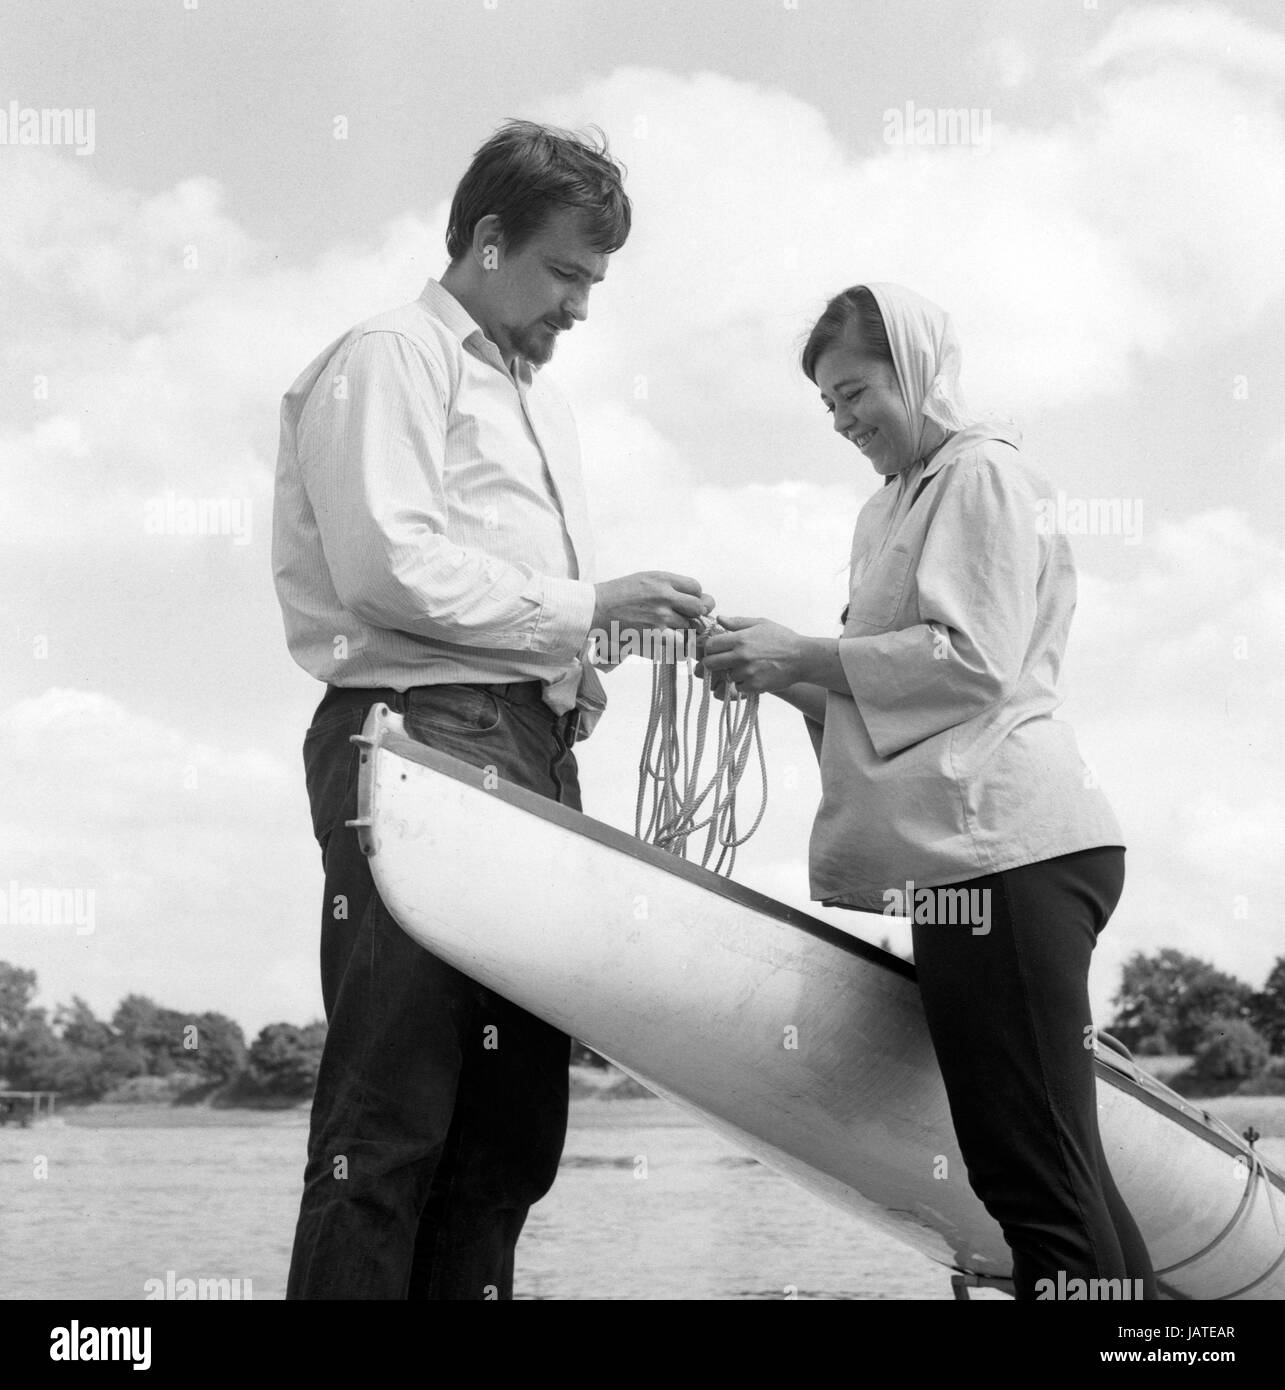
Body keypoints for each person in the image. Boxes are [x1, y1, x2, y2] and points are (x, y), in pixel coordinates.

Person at [272, 120, 712, 1299]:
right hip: (416, 743)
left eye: (593, 281)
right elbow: (384, 568)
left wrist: (577, 663)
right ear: (485, 241)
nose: (581, 305)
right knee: (394, 1112)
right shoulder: (390, 354)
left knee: (513, 1132)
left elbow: (500, 599)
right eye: (566, 271)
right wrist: (584, 605)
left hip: (522, 747)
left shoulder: (540, 404)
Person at [698, 282, 1157, 1301]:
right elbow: (877, 682)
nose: (842, 419)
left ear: (913, 369)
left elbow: (970, 660)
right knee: (1057, 1170)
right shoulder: (889, 505)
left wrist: (807, 651)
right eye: (826, 404)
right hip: (976, 857)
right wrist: (774, 667)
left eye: (855, 390)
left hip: (1010, 848)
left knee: (1027, 1178)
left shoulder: (983, 474)